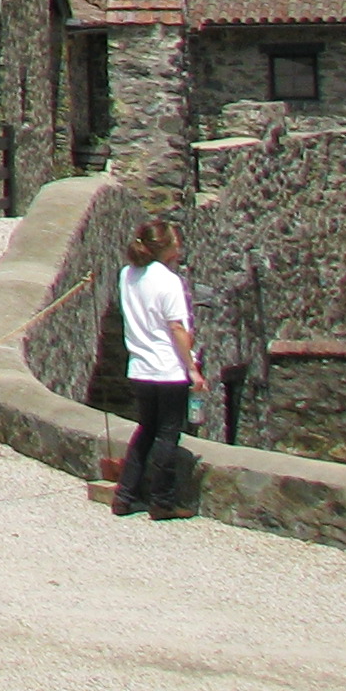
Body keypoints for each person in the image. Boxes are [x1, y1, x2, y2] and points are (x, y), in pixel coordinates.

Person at [113, 214, 207, 518]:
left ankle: (125, 495)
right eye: (175, 242)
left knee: (145, 430)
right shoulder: (169, 282)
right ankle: (162, 502)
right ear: (165, 247)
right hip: (168, 369)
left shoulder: (127, 275)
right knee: (168, 434)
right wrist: (192, 369)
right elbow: (177, 329)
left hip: (139, 367)